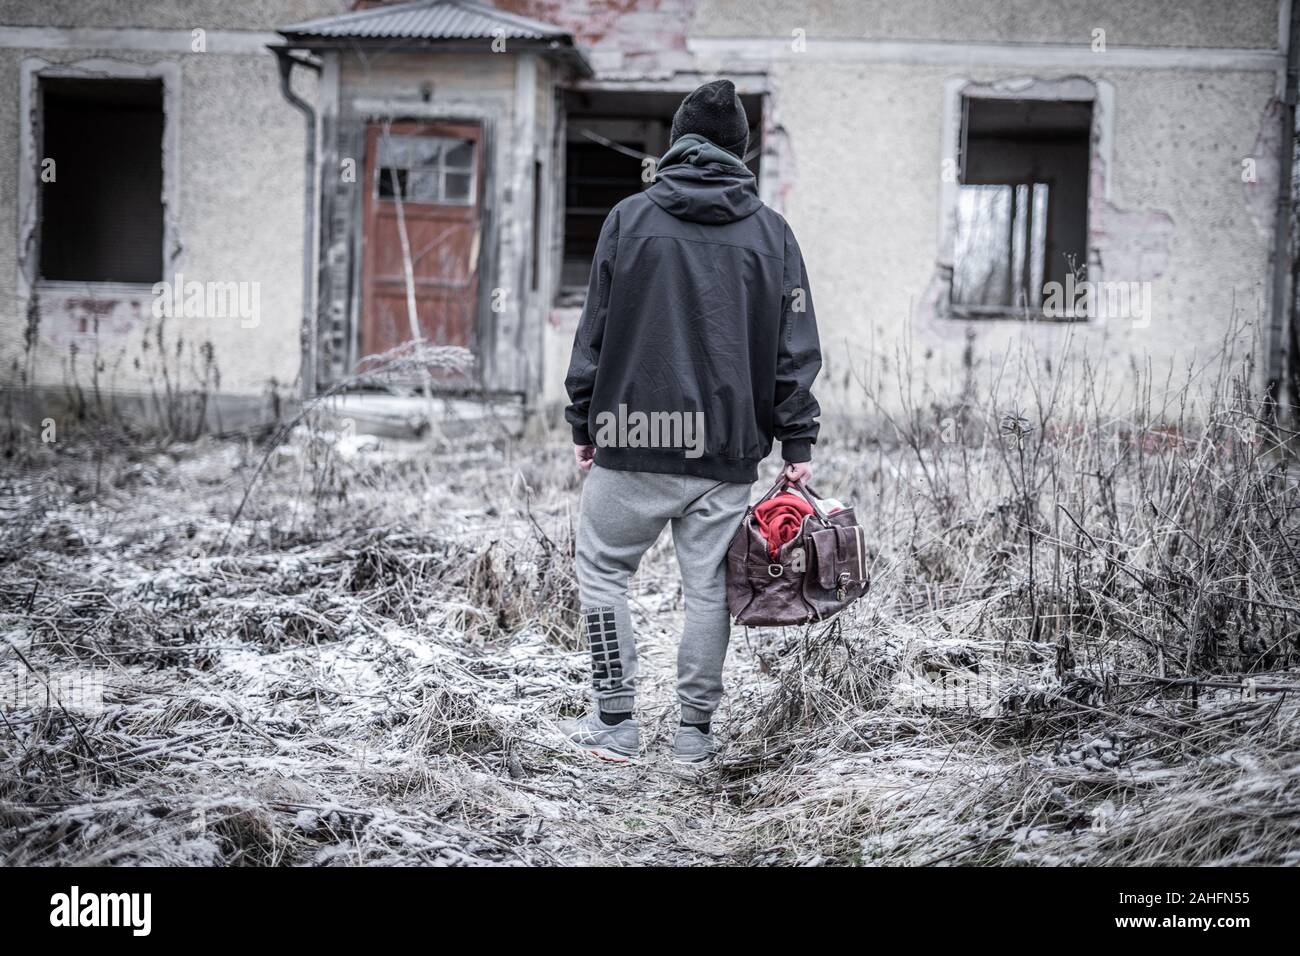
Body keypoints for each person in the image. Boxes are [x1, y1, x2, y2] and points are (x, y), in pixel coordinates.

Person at [560, 79, 822, 766]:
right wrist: (798, 441)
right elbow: (795, 346)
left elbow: (593, 333)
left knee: (604, 573)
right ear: (739, 151)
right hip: (726, 452)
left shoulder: (628, 219)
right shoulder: (772, 235)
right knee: (708, 590)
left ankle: (614, 725)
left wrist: (584, 424)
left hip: (634, 441)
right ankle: (693, 737)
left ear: (676, 144)